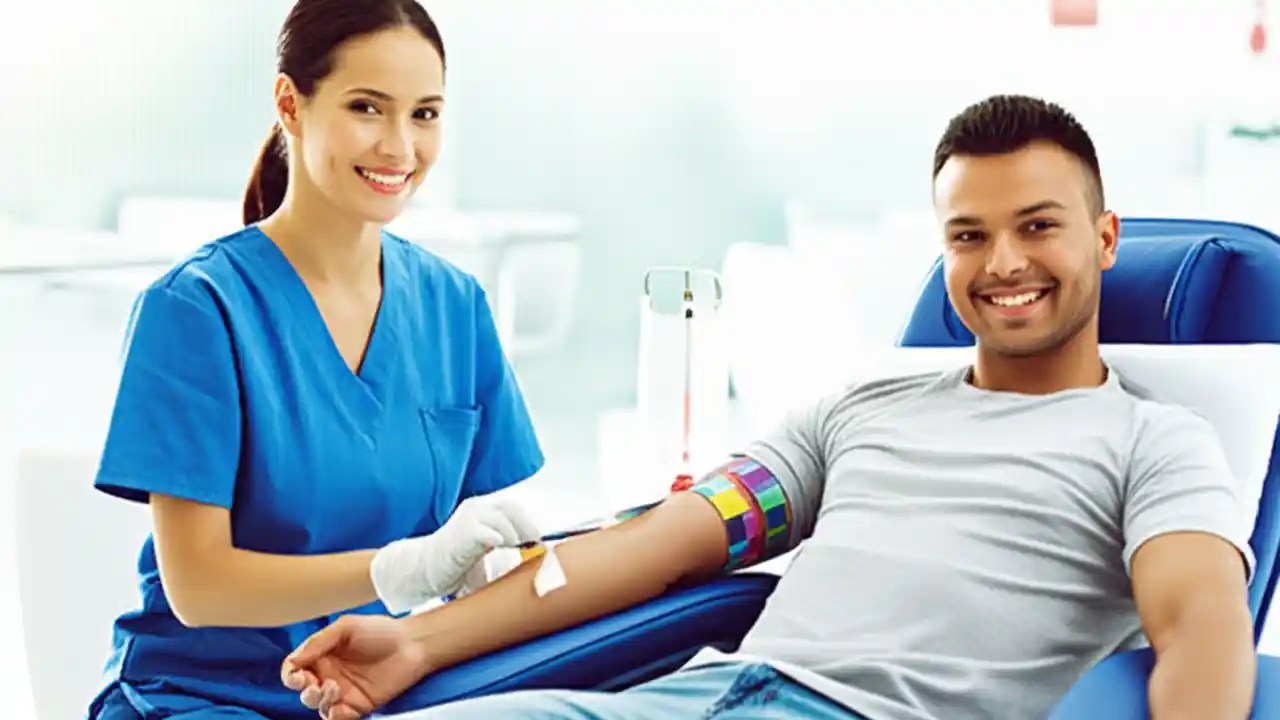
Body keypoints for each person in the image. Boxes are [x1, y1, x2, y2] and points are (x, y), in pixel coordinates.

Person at [281, 95, 1258, 720]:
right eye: (967, 235)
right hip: (695, 697)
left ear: (1103, 238)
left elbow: (1198, 635)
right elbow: (662, 541)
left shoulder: (1155, 444)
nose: (1000, 262)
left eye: (1035, 226)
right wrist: (415, 639)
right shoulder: (861, 409)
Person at [87, 1, 547, 718]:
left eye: (425, 114)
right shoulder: (199, 309)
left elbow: (495, 536)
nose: (399, 147)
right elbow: (198, 586)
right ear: (289, 105)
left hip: (391, 692)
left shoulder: (454, 307)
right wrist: (401, 569)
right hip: (208, 698)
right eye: (368, 107)